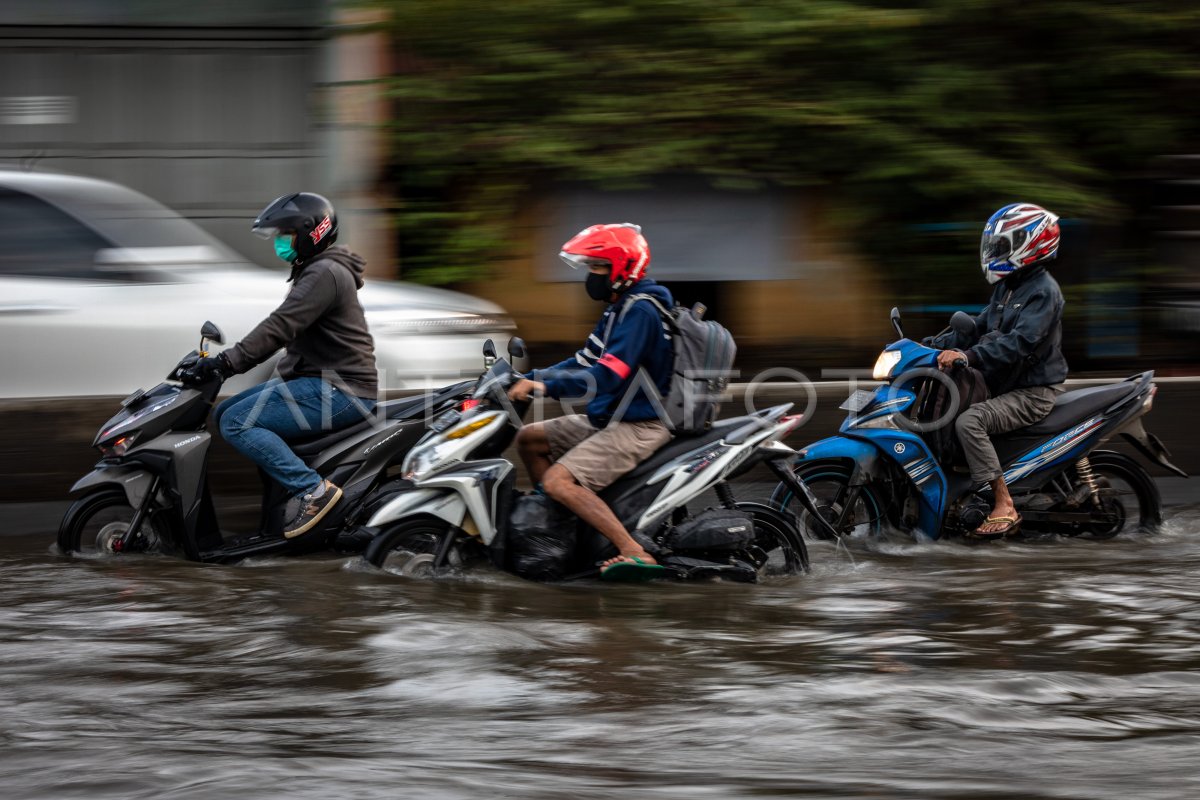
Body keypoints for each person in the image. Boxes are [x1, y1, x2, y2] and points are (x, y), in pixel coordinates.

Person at [193, 192, 378, 538]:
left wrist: (227, 362)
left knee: (236, 422)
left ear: (310, 233)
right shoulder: (315, 270)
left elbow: (280, 327)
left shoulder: (324, 273)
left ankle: (313, 491)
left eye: (285, 234)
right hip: (321, 382)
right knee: (224, 413)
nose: (279, 241)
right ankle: (276, 514)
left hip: (341, 391)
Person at [507, 223, 674, 571]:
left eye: (598, 267)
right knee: (529, 438)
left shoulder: (641, 311)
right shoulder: (619, 308)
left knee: (558, 481)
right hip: (611, 418)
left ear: (623, 269)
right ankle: (559, 529)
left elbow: (607, 377)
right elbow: (584, 361)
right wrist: (529, 378)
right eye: (590, 266)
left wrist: (547, 388)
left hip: (639, 425)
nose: (591, 275)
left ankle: (633, 550)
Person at [930, 202, 1068, 539]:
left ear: (1030, 244)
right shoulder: (1008, 287)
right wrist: (930, 345)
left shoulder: (1044, 292)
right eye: (994, 246)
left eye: (1002, 246)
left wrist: (968, 356)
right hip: (1005, 383)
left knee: (970, 421)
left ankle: (1004, 503)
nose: (995, 253)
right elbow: (977, 327)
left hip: (1032, 391)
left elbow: (1020, 342)